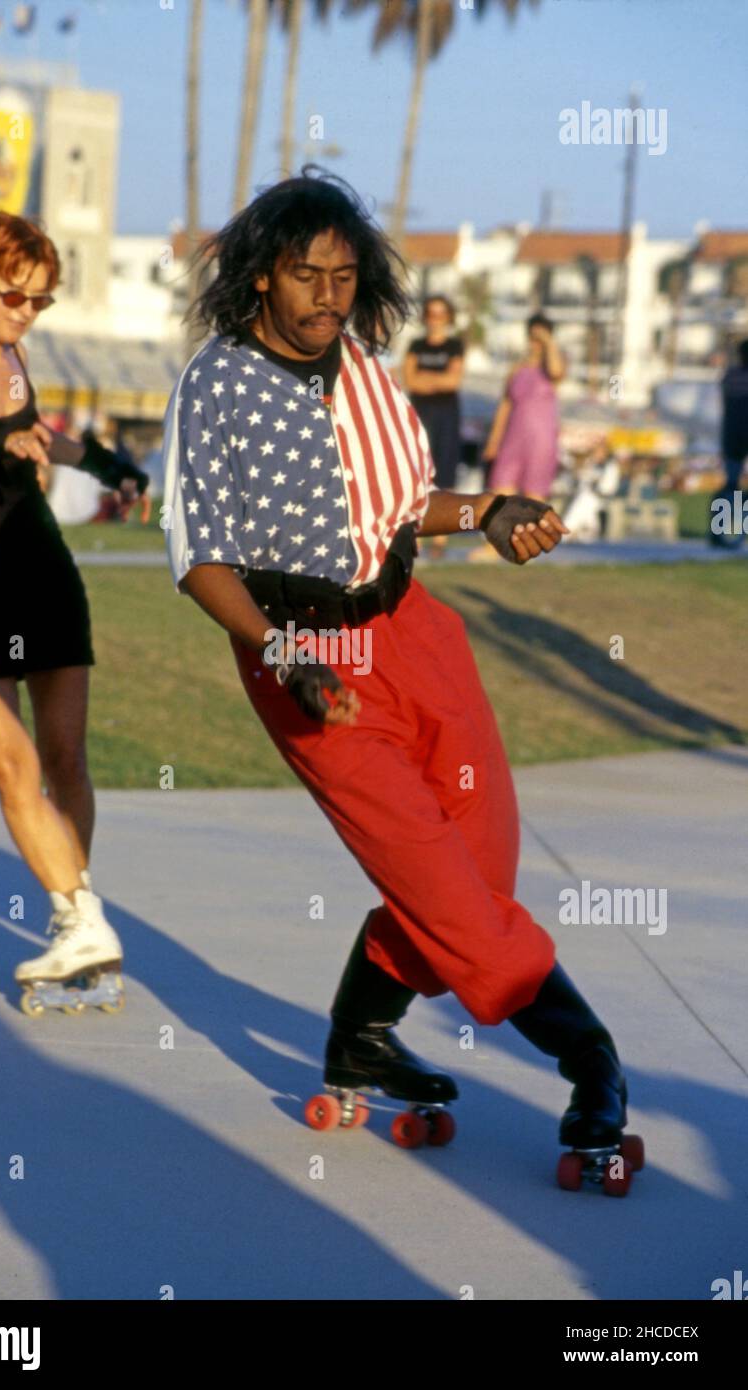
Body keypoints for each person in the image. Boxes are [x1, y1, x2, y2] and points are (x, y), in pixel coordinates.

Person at [159, 167, 636, 1171]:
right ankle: (591, 1061)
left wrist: (489, 512)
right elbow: (198, 555)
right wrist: (286, 657)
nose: (328, 293)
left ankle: (360, 1038)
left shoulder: (368, 364)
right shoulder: (219, 383)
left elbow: (409, 500)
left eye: (343, 273)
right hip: (306, 658)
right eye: (304, 274)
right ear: (259, 281)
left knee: (479, 864)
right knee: (445, 890)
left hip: (414, 629)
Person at [0, 211, 149, 1014]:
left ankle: (71, 917)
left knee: (66, 759)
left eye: (41, 301)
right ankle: (82, 919)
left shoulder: (15, 351)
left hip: (40, 570)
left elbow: (39, 434)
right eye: (15, 296)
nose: (26, 312)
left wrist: (111, 463)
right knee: (13, 765)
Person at [470, 313, 565, 562]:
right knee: (500, 492)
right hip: (513, 435)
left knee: (534, 497)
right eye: (532, 336)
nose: (535, 341)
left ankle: (530, 549)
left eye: (540, 336)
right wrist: (493, 441)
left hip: (541, 437)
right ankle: (494, 547)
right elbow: (505, 404)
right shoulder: (518, 368)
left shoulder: (553, 364)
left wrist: (548, 342)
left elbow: (556, 371)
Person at [402, 296, 465, 560]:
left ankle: (440, 540)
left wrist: (426, 378)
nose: (435, 319)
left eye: (441, 314)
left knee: (445, 476)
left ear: (448, 317)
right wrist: (433, 380)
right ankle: (413, 535)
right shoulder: (416, 345)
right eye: (431, 313)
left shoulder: (454, 346)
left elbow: (453, 381)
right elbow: (410, 381)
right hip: (419, 415)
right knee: (416, 473)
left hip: (446, 416)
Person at [710, 338, 748, 549]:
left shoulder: (730, 376)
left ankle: (721, 532)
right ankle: (736, 533)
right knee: (732, 487)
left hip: (732, 436)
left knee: (730, 486)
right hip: (737, 435)